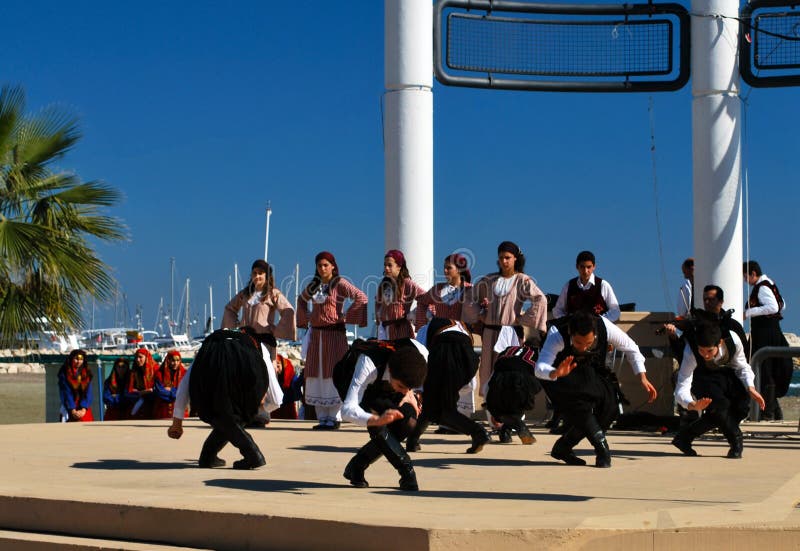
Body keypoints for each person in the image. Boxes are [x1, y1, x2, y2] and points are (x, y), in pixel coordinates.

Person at [535, 311, 657, 468]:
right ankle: (602, 449)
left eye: (589, 343)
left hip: (589, 371)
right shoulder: (557, 334)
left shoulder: (604, 326)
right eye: (578, 343)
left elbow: (631, 347)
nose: (583, 348)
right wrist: (555, 372)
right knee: (582, 406)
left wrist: (642, 377)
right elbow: (540, 367)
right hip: (558, 377)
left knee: (610, 405)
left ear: (595, 334)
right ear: (571, 333)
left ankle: (563, 447)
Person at [168, 328, 268, 470]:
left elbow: (185, 384)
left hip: (214, 388)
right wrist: (266, 405)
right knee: (231, 419)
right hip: (245, 387)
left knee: (223, 417)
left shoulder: (212, 347)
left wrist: (177, 422)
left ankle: (253, 455)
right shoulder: (254, 345)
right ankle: (208, 457)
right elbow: (267, 376)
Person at [462, 241, 548, 399]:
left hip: (511, 333)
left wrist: (522, 319)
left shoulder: (522, 280)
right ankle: (491, 406)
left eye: (507, 257)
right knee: (489, 370)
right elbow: (469, 298)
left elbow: (540, 299)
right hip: (490, 333)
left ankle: (513, 406)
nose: (504, 261)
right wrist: (480, 314)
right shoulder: (489, 280)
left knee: (511, 370)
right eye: (501, 257)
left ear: (515, 258)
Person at [341, 339, 428, 491]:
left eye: (408, 387)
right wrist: (374, 420)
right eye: (401, 386)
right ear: (391, 371)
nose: (404, 391)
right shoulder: (368, 363)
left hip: (388, 388)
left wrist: (413, 393)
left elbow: (422, 386)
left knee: (409, 421)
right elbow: (347, 409)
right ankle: (407, 472)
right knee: (379, 426)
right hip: (358, 387)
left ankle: (357, 465)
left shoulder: (422, 355)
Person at [672, 317, 765, 458]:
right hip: (701, 377)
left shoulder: (733, 340)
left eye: (709, 351)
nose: (705, 355)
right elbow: (682, 384)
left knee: (741, 406)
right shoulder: (691, 351)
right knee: (720, 407)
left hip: (725, 375)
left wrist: (750, 387)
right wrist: (691, 404)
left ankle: (684, 438)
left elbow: (742, 367)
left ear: (720, 343)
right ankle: (736, 442)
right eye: (701, 350)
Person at [297, 251, 368, 430]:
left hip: (334, 336)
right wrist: (308, 318)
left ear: (333, 266)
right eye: (319, 265)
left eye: (326, 265)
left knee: (333, 373)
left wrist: (346, 316)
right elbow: (301, 300)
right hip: (317, 336)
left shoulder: (340, 283)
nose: (322, 268)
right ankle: (322, 418)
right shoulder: (314, 285)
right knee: (316, 373)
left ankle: (334, 417)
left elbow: (361, 297)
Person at [413, 252, 479, 431]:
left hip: (460, 340)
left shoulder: (470, 290)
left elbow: (484, 305)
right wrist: (423, 326)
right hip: (441, 340)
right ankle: (444, 420)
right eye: (444, 267)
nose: (445, 271)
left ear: (460, 269)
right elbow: (421, 302)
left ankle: (460, 419)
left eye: (449, 267)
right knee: (439, 375)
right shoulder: (438, 289)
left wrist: (475, 323)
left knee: (462, 375)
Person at [406, 317, 489, 454]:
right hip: (467, 359)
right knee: (432, 405)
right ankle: (412, 441)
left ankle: (479, 433)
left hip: (444, 355)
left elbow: (421, 353)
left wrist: (418, 387)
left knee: (443, 409)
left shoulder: (427, 328)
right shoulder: (463, 326)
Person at [743, 261, 792, 421]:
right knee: (766, 369)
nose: (745, 281)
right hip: (770, 332)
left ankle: (768, 412)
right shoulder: (769, 283)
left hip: (765, 333)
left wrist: (748, 312)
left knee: (765, 369)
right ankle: (773, 411)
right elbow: (782, 304)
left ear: (753, 273)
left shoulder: (762, 287)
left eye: (746, 276)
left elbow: (774, 307)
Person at [223, 259, 296, 361]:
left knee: (265, 369)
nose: (257, 276)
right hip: (245, 341)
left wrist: (276, 330)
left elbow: (288, 310)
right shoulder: (245, 294)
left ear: (267, 275)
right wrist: (237, 326)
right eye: (254, 273)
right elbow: (229, 309)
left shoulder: (273, 294)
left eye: (260, 273)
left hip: (264, 343)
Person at [552, 250, 621, 322]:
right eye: (582, 267)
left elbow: (615, 311)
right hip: (574, 328)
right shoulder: (569, 286)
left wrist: (601, 322)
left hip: (597, 328)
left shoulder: (603, 285)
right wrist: (567, 321)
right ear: (577, 267)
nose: (585, 271)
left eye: (589, 267)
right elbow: (557, 310)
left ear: (594, 267)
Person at [376, 249, 425, 339]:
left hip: (401, 331)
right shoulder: (383, 285)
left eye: (390, 265)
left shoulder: (407, 283)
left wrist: (413, 314)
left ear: (399, 266)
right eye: (385, 265)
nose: (386, 268)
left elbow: (425, 297)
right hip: (384, 331)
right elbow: (378, 305)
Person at [57, 349, 94, 422]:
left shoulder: (86, 373)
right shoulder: (65, 374)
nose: (79, 361)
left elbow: (88, 392)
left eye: (81, 359)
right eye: (76, 359)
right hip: (69, 407)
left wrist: (83, 409)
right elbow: (66, 392)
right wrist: (72, 410)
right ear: (71, 359)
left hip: (84, 408)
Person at [153, 350, 188, 419]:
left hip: (181, 410)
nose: (175, 363)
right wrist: (176, 394)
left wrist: (171, 390)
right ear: (168, 360)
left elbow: (185, 391)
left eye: (178, 360)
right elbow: (159, 391)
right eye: (173, 360)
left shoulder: (184, 373)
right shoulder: (159, 374)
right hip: (163, 410)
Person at [126, 348, 158, 420]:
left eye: (140, 357)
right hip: (138, 406)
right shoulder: (134, 372)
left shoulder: (155, 370)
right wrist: (142, 392)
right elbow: (129, 390)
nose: (138, 360)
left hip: (153, 405)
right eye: (136, 357)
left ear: (146, 357)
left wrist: (143, 392)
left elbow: (158, 388)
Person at [270, 354, 301, 420]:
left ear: (282, 364)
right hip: (276, 407)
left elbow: (296, 385)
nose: (276, 369)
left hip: (288, 405)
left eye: (278, 366)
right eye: (275, 366)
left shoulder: (290, 373)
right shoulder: (273, 374)